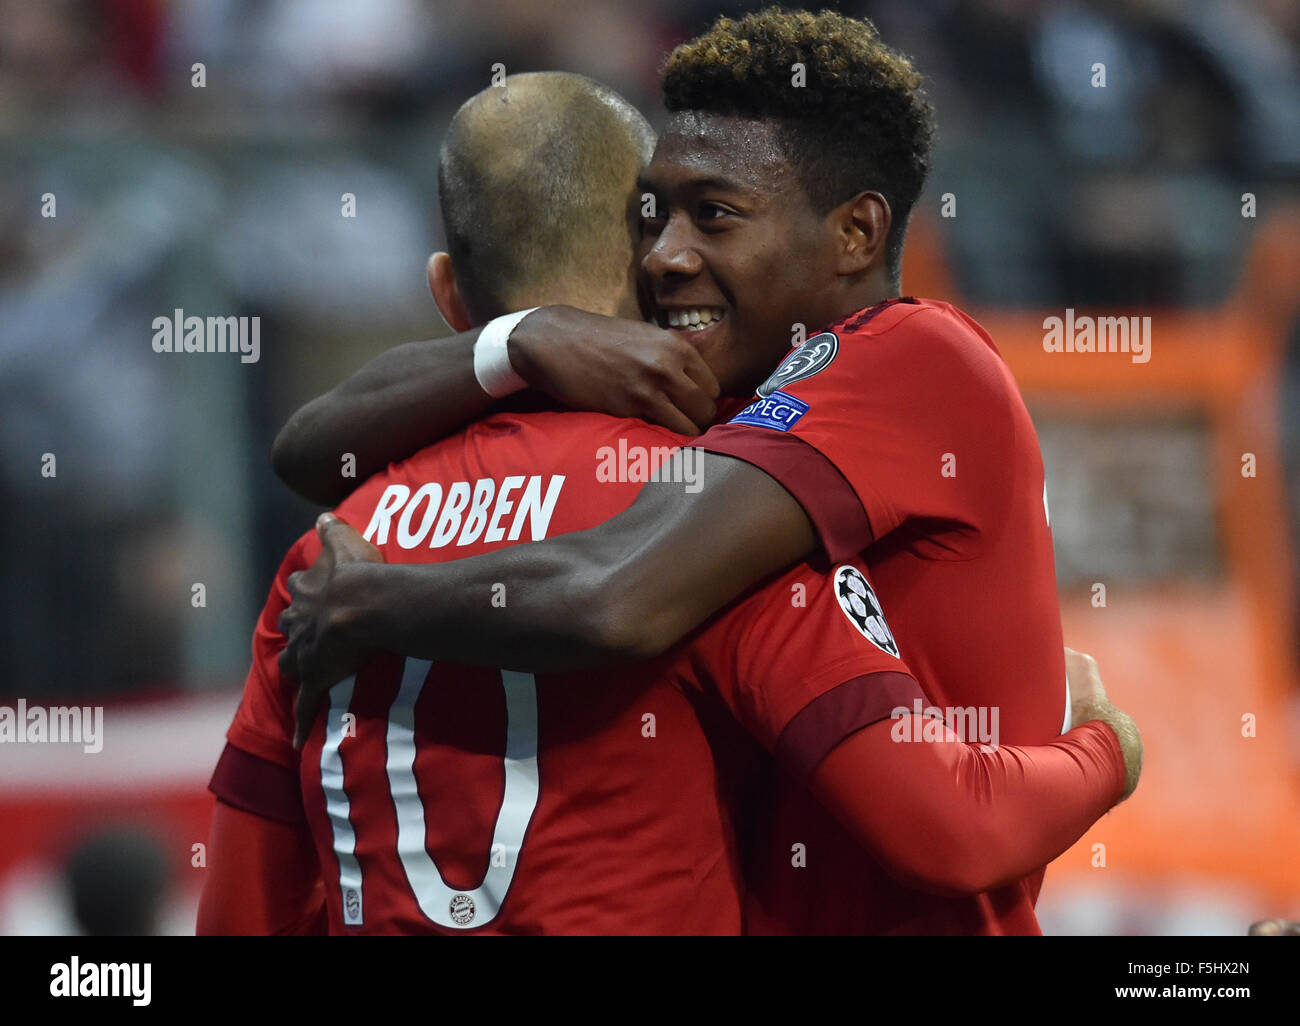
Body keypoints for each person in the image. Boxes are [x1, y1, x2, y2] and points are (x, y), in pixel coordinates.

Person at [275, 10, 1128, 935]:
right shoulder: (730, 399)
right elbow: (313, 448)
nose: (665, 255)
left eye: (714, 216)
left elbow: (616, 595)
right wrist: (526, 338)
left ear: (854, 233)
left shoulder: (912, 358)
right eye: (654, 216)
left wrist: (369, 604)